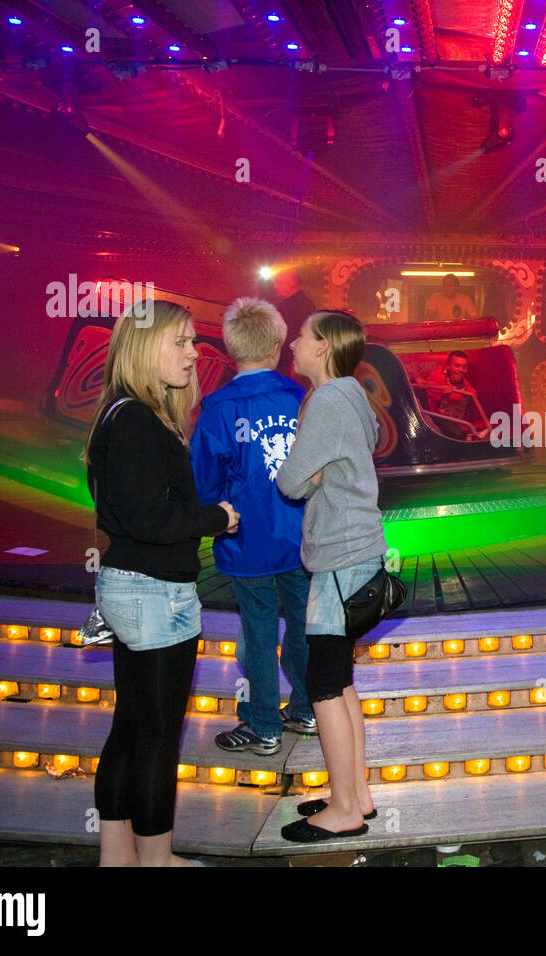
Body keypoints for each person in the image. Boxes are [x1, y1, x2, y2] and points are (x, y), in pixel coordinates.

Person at [83, 300, 239, 866]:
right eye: (181, 341)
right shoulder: (138, 423)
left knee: (131, 727)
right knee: (155, 737)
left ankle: (118, 856)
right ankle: (156, 861)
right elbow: (154, 520)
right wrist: (216, 518)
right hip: (154, 593)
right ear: (146, 347)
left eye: (193, 341)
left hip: (133, 589)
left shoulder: (121, 414)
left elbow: (128, 513)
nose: (194, 353)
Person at [275, 310, 386, 841]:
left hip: (340, 559)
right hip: (355, 553)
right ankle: (355, 794)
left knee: (323, 682)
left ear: (322, 347)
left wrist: (303, 470)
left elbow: (293, 482)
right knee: (339, 680)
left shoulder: (326, 401)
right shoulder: (353, 394)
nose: (292, 343)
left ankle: (344, 808)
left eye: (300, 336)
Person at [191, 298, 315, 757]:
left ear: (229, 349)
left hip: (247, 542)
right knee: (303, 626)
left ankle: (263, 725)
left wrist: (216, 517)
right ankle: (304, 708)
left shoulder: (218, 410)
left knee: (259, 633)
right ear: (279, 347)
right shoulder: (298, 397)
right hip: (301, 538)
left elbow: (204, 482)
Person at [415, 351, 488, 438]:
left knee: (455, 431)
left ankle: (468, 436)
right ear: (448, 366)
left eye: (464, 367)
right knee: (418, 391)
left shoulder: (469, 392)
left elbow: (462, 416)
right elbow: (413, 375)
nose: (461, 370)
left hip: (449, 420)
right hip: (429, 414)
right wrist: (417, 378)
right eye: (457, 365)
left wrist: (446, 397)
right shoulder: (437, 375)